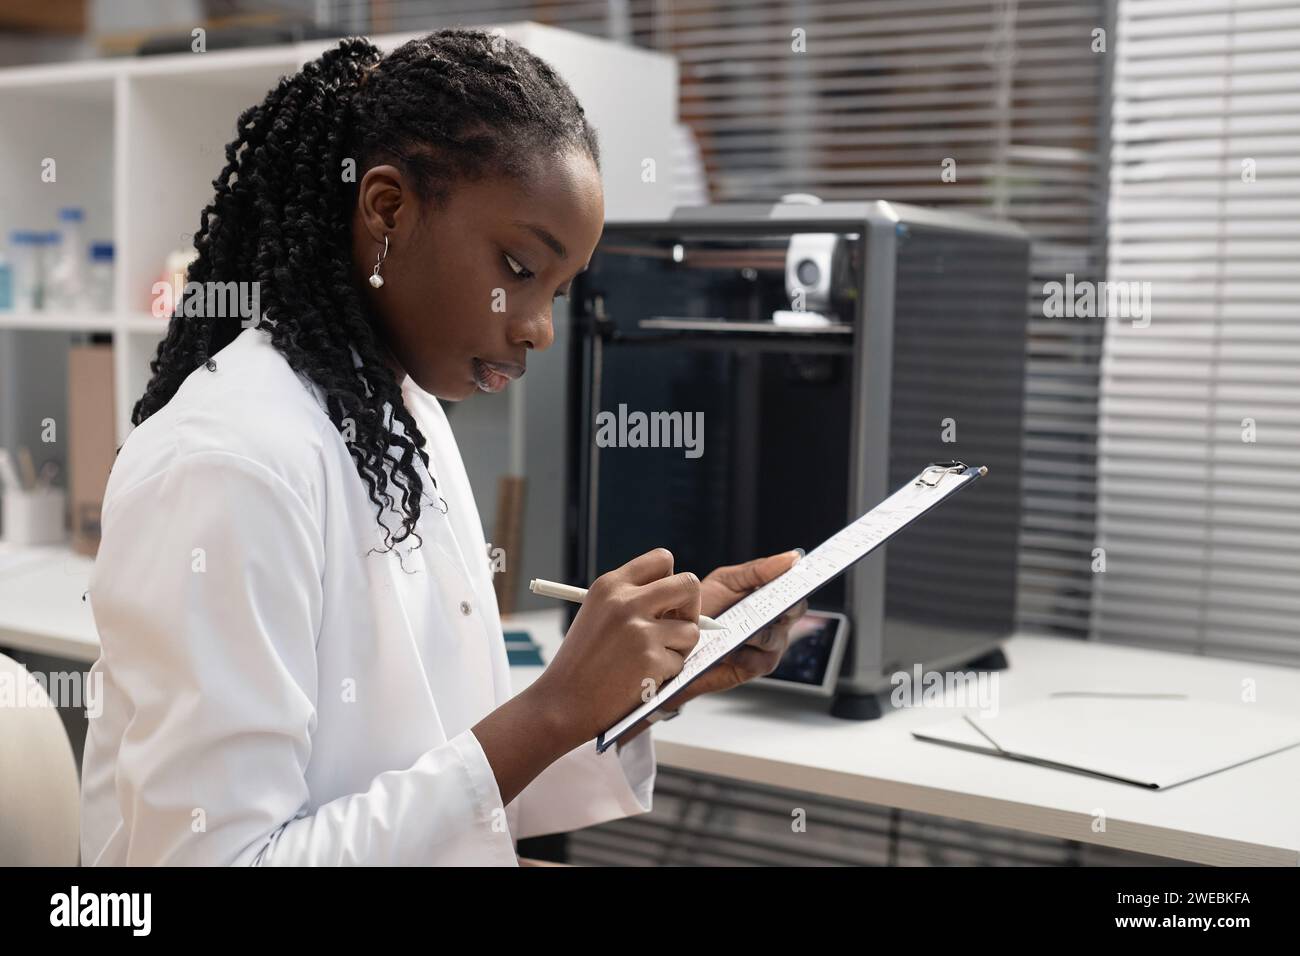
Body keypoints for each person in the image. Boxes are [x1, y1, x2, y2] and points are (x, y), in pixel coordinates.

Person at [80, 29, 806, 866]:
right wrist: (553, 709)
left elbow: (453, 774)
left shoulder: (404, 415)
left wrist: (638, 687)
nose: (538, 329)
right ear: (387, 209)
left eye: (559, 291)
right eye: (518, 265)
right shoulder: (230, 461)